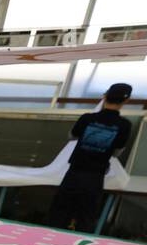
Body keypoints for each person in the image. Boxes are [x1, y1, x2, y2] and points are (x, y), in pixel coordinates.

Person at [48, 82, 134, 232]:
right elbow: (116, 152)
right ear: (126, 101)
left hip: (74, 172)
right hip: (95, 176)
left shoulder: (87, 118)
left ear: (105, 96)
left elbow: (71, 136)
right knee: (86, 217)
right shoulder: (124, 125)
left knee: (60, 212)